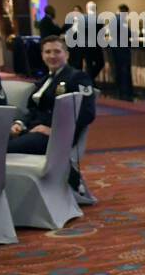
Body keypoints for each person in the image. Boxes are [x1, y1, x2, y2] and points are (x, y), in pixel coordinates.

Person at [8, 35, 97, 181]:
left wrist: (54, 131)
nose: (52, 56)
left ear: (66, 55)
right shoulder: (45, 80)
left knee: (4, 148)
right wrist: (19, 123)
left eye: (57, 51)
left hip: (56, 137)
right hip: (33, 130)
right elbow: (32, 109)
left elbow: (87, 113)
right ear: (42, 55)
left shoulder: (77, 77)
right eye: (47, 52)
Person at [109, 3, 134, 100]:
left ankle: (119, 91)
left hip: (114, 47)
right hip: (122, 48)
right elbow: (128, 33)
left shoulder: (112, 20)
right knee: (125, 71)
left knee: (118, 70)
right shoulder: (121, 20)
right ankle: (126, 92)